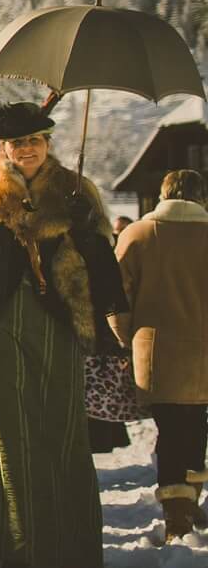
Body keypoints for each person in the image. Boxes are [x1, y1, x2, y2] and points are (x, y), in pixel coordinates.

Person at [0, 102, 120, 568]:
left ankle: (72, 546)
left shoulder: (76, 192)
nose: (26, 151)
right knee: (6, 435)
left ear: (48, 144)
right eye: (17, 144)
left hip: (58, 323)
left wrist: (84, 227)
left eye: (34, 142)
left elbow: (104, 267)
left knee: (60, 429)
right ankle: (20, 549)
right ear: (4, 148)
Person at [113, 168, 208, 542]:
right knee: (197, 426)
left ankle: (177, 515)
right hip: (204, 353)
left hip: (155, 352)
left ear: (162, 194)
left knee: (169, 430)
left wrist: (126, 337)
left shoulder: (136, 235)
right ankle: (191, 498)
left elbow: (115, 297)